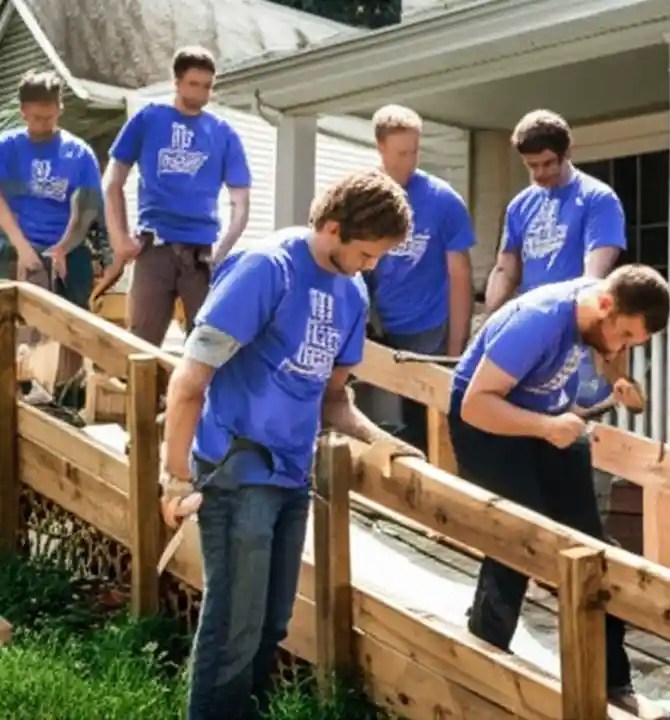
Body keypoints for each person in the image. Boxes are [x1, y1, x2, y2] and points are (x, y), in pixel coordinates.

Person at [158, 168, 423, 720]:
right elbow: (189, 381)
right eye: (369, 253)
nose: (372, 266)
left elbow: (334, 400)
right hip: (236, 470)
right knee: (235, 624)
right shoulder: (266, 270)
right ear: (332, 228)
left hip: (290, 477)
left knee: (272, 623)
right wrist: (174, 475)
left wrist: (382, 442)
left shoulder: (350, 293)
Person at [450, 264, 670, 720]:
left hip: (547, 420)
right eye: (624, 337)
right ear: (605, 306)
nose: (622, 349)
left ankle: (615, 685)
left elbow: (612, 342)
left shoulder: (600, 306)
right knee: (520, 539)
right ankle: (482, 663)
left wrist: (617, 381)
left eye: (634, 344)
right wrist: (547, 426)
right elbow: (475, 405)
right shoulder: (537, 320)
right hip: (488, 424)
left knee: (594, 551)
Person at [481, 109, 634, 412]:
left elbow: (595, 273)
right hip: (532, 327)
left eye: (548, 163)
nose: (539, 173)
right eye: (531, 166)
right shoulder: (519, 206)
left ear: (567, 153)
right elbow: (505, 268)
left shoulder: (597, 198)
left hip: (576, 329)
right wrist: (491, 318)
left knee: (581, 419)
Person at [103, 45, 251, 347]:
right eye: (193, 84)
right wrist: (119, 237)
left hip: (201, 253)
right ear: (177, 82)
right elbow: (113, 180)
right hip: (153, 245)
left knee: (208, 343)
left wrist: (221, 254)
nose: (201, 93)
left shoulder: (222, 133)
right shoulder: (149, 119)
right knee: (141, 344)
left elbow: (240, 203)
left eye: (207, 86)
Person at [355, 104, 476, 449]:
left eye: (415, 151)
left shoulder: (443, 200)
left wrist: (455, 351)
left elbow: (460, 274)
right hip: (378, 326)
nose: (410, 161)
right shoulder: (363, 196)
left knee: (427, 423)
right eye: (401, 153)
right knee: (376, 419)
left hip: (430, 328)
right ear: (380, 147)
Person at [0, 70, 102, 385]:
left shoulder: (79, 153)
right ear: (22, 113)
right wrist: (24, 249)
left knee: (70, 327)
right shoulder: (7, 147)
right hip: (16, 245)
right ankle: (14, 390)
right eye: (34, 118)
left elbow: (86, 208)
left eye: (48, 116)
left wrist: (62, 248)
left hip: (67, 248)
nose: (42, 123)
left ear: (60, 108)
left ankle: (66, 397)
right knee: (13, 325)